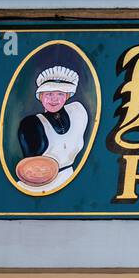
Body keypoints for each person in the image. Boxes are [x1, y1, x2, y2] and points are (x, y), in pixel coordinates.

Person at [17, 65, 88, 193]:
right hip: (38, 190)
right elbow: (31, 167)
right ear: (40, 96)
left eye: (60, 94)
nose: (54, 99)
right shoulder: (31, 124)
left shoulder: (78, 112)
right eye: (49, 94)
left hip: (68, 180)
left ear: (67, 96)